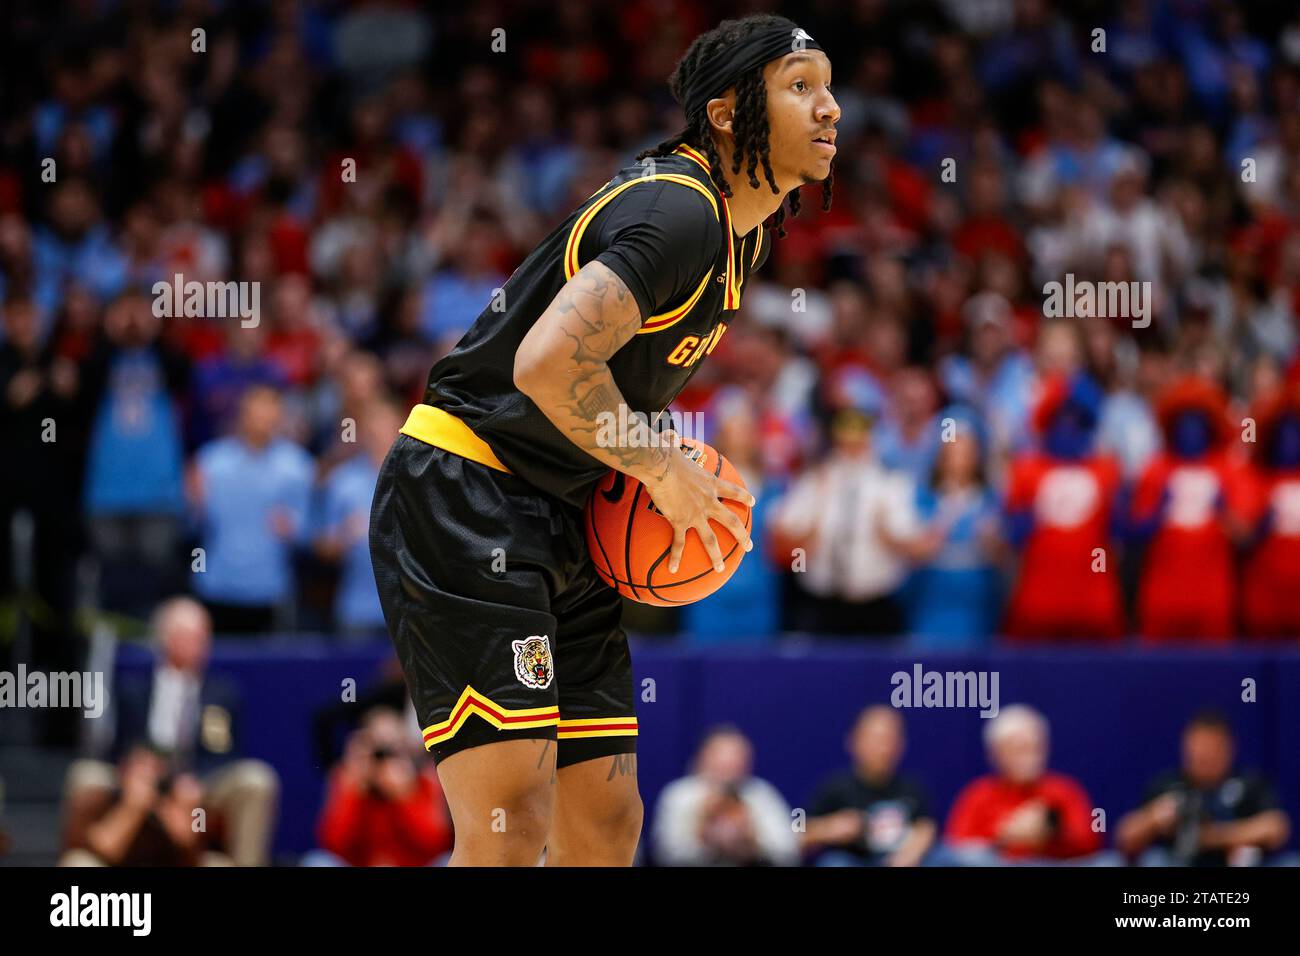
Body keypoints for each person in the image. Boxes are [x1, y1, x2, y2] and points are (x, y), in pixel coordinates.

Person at [369, 14, 839, 866]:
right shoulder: (683, 211)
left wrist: (666, 461)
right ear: (730, 112)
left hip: (569, 507)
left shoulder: (745, 234)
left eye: (830, 86)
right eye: (800, 87)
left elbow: (604, 383)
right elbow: (547, 365)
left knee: (607, 820)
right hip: (471, 487)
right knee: (513, 818)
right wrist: (663, 467)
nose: (830, 108)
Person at [62, 596, 280, 866]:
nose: (199, 645)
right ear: (165, 638)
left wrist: (192, 780)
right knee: (85, 775)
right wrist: (138, 768)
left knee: (256, 778)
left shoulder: (222, 694)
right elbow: (117, 746)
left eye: (204, 637)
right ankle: (87, 843)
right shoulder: (133, 689)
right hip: (139, 779)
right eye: (189, 636)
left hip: (199, 783)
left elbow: (225, 753)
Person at [189, 384, 314, 634]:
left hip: (270, 589)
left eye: (269, 414)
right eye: (256, 414)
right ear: (241, 415)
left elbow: (308, 533)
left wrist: (292, 529)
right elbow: (192, 525)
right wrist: (193, 504)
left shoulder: (298, 466)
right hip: (216, 583)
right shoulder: (211, 462)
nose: (262, 422)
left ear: (279, 417)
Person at [1117, 711, 1291, 866]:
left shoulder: (1249, 783)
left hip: (1233, 863)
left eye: (1210, 751)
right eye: (1197, 751)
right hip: (1178, 864)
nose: (1203, 757)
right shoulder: (1168, 785)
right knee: (1149, 859)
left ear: (1228, 748)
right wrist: (1152, 818)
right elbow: (1124, 838)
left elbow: (1276, 827)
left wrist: (1213, 837)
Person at [939, 705, 1105, 865]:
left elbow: (1092, 842)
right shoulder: (978, 794)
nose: (1030, 758)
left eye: (1035, 748)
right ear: (995, 754)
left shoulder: (1065, 790)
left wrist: (1052, 832)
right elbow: (956, 850)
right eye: (1019, 749)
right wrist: (1003, 836)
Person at [306, 708, 453, 867]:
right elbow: (334, 844)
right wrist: (356, 789)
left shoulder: (425, 779)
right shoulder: (347, 778)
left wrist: (405, 795)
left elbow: (436, 843)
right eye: (378, 750)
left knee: (447, 861)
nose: (384, 759)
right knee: (317, 862)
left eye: (393, 749)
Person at [803, 706, 936, 866]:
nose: (884, 749)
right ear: (854, 741)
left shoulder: (911, 788)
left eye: (890, 740)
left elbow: (926, 826)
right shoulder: (835, 788)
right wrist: (831, 827)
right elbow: (800, 833)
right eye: (876, 740)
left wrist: (912, 852)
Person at [650, 726, 798, 867]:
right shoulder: (679, 794)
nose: (729, 763)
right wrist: (703, 835)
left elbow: (788, 851)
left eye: (736, 757)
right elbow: (664, 852)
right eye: (721, 756)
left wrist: (752, 841)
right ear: (702, 758)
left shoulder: (760, 794)